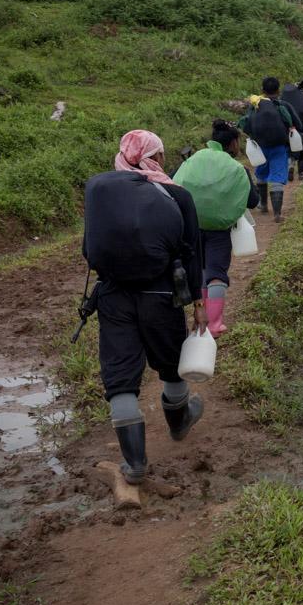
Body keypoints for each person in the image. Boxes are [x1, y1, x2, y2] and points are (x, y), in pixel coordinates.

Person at [82, 130, 207, 484]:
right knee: (170, 364)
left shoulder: (101, 194)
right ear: (159, 158)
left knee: (120, 376)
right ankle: (179, 422)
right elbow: (191, 253)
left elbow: (87, 249)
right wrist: (198, 303)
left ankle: (134, 465)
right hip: (161, 294)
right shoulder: (178, 196)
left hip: (112, 295)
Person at [172, 120, 260, 337]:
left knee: (201, 271)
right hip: (219, 231)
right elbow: (252, 201)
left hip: (191, 229)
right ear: (232, 143)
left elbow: (174, 184)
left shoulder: (192, 160)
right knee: (217, 275)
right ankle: (215, 324)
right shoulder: (236, 168)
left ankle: (200, 319)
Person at [238, 76, 299, 223]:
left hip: (260, 147)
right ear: (278, 90)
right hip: (279, 147)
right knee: (277, 178)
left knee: (261, 174)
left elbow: (246, 125)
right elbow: (297, 123)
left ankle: (264, 205)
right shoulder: (282, 105)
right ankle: (277, 214)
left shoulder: (255, 106)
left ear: (262, 91)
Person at [280, 79, 303, 181]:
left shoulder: (283, 99)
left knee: (291, 150)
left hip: (288, 129)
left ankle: (290, 166)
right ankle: (301, 174)